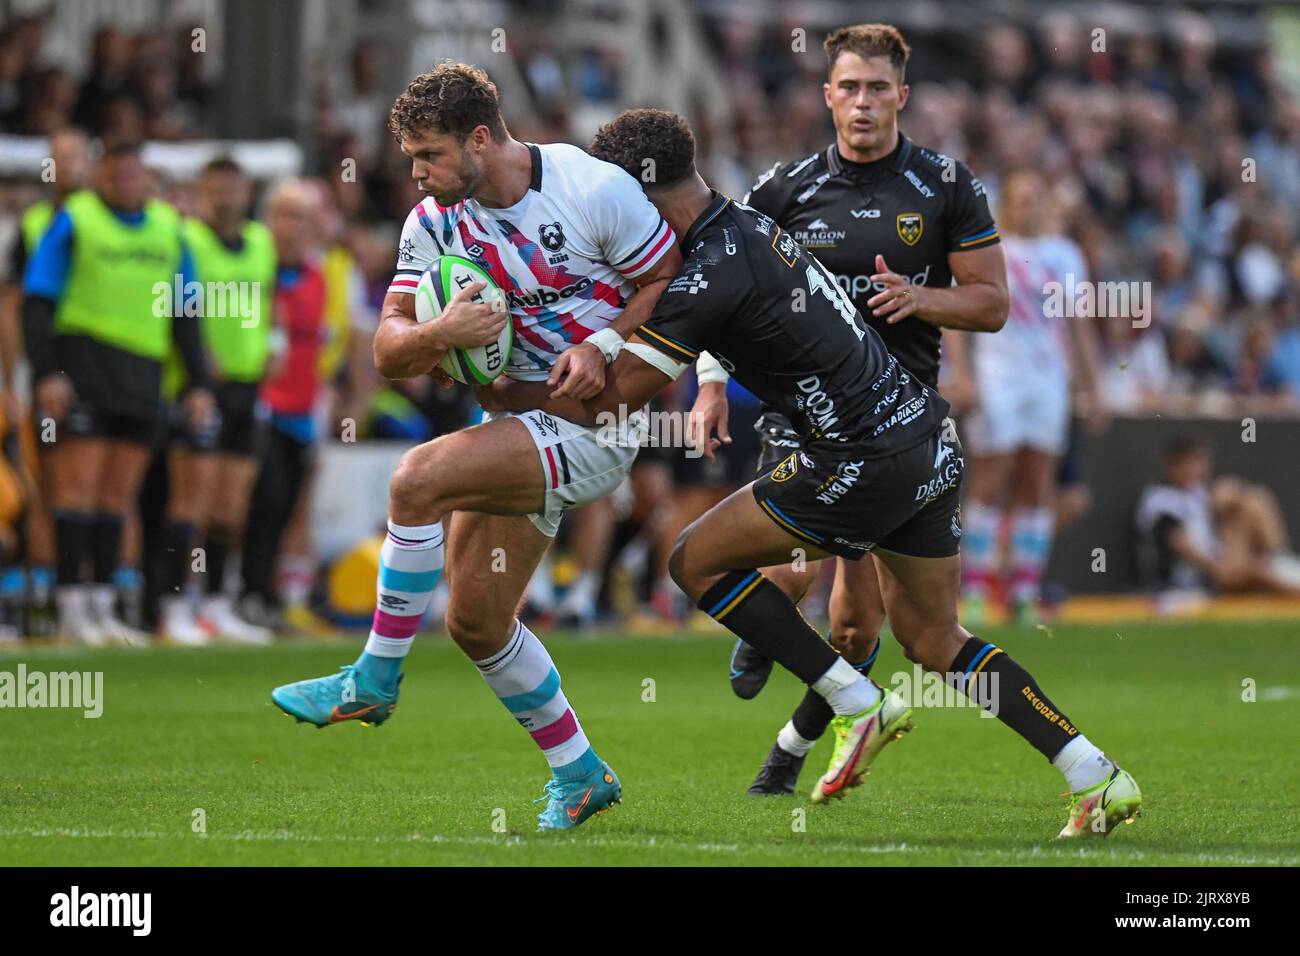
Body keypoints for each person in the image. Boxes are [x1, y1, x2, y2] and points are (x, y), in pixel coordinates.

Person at [486, 108, 1142, 838]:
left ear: (634, 191)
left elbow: (609, 403)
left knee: (694, 560)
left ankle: (857, 702)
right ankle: (1095, 773)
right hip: (927, 440)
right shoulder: (750, 226)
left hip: (861, 459)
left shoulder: (703, 273)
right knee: (932, 638)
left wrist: (493, 382)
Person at [269, 62, 682, 831]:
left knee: (415, 479)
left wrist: (603, 343)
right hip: (517, 430)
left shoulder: (590, 187)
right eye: (411, 158)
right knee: (477, 622)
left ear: (482, 138)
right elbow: (390, 354)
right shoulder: (431, 223)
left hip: (597, 424)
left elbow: (672, 281)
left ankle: (373, 680)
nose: (418, 175)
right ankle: (581, 772)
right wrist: (439, 334)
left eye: (429, 155)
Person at [698, 24, 1009, 795]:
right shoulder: (786, 188)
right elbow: (716, 283)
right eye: (849, 87)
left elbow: (994, 302)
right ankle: (766, 624)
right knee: (782, 574)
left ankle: (786, 754)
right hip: (802, 416)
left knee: (855, 629)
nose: (863, 102)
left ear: (902, 95)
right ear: (827, 94)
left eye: (878, 88)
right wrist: (708, 380)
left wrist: (922, 296)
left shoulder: (945, 185)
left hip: (898, 426)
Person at [22, 140, 213, 644]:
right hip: (82, 365)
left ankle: (102, 606)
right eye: (113, 174)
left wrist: (197, 383)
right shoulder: (74, 219)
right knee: (74, 491)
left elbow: (187, 312)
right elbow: (38, 299)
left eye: (132, 175)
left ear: (146, 179)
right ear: (100, 176)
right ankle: (69, 608)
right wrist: (46, 373)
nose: (123, 183)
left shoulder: (171, 231)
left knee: (116, 495)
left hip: (142, 373)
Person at [962, 169, 1102, 626]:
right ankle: (977, 588)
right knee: (991, 478)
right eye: (1019, 200)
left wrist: (1092, 385)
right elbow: (958, 314)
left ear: (1046, 204)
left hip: (1048, 378)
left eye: (1034, 199)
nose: (1028, 208)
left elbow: (1079, 325)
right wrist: (963, 373)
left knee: (1038, 481)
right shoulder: (987, 250)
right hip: (998, 374)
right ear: (1007, 207)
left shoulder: (1066, 255)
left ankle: (1023, 589)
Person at [158, 158, 276, 644]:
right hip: (198, 385)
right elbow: (172, 305)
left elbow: (263, 302)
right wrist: (198, 367)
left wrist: (273, 344)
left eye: (233, 189)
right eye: (215, 190)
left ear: (246, 192)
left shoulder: (262, 242)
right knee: (190, 502)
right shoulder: (186, 239)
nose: (225, 198)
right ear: (202, 192)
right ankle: (171, 606)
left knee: (231, 507)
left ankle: (216, 605)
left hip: (247, 386)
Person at [1, 127, 94, 637]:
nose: (66, 168)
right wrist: (19, 376)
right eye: (57, 159)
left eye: (75, 157)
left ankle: (92, 596)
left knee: (100, 488)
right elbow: (14, 304)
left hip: (102, 373)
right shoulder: (36, 224)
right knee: (40, 484)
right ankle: (40, 596)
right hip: (45, 372)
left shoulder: (112, 222)